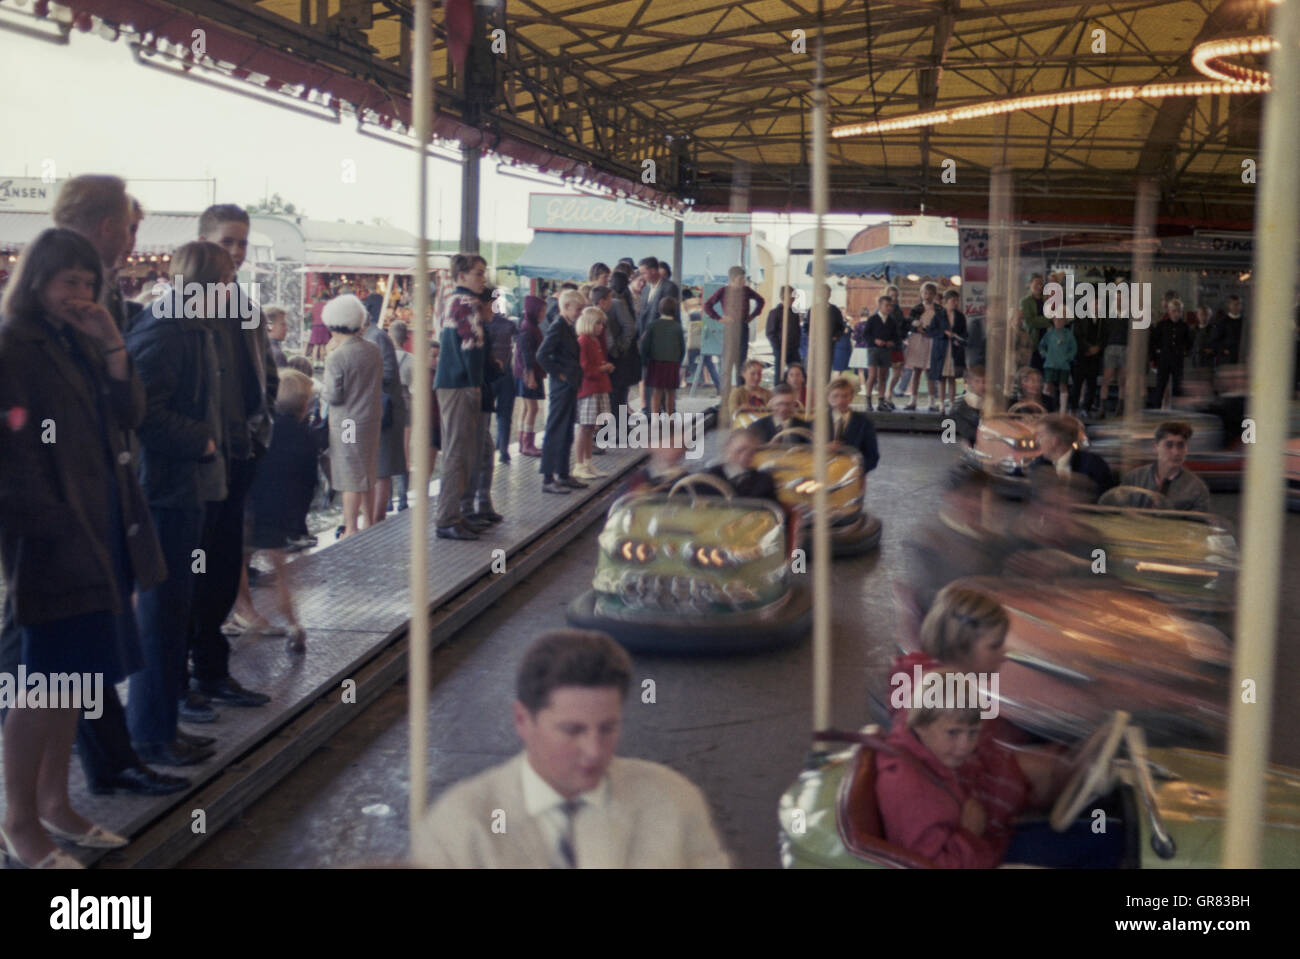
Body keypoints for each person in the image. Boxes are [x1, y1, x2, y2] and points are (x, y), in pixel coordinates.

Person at [0, 228, 170, 867]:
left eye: (87, 283)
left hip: (103, 531)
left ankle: (54, 803)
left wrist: (114, 348)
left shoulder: (78, 342)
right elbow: (10, 453)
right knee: (43, 684)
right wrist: (47, 523)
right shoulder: (15, 345)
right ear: (38, 280)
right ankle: (18, 818)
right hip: (51, 540)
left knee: (81, 681)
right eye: (67, 281)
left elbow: (127, 416)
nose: (79, 294)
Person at [412, 630, 730, 868]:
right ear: (523, 720)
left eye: (607, 728)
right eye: (572, 730)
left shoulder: (674, 801)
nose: (594, 751)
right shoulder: (459, 828)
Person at [124, 241, 233, 769]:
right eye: (227, 284)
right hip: (166, 490)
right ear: (207, 286)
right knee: (161, 615)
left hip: (183, 489)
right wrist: (201, 441)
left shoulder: (187, 328)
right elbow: (142, 411)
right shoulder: (165, 331)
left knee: (173, 613)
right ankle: (150, 734)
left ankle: (162, 728)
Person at [186, 203, 276, 714]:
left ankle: (214, 671)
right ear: (202, 245)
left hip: (240, 453)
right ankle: (181, 682)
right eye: (227, 243)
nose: (237, 253)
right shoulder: (180, 308)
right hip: (202, 462)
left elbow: (263, 369)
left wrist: (261, 430)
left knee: (222, 570)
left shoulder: (244, 305)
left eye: (241, 243)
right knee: (190, 575)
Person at [246, 370, 323, 654]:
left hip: (252, 507)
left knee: (235, 563)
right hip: (279, 514)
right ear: (305, 407)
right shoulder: (307, 437)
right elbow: (309, 481)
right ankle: (293, 623)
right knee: (281, 574)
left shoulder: (262, 431)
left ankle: (245, 615)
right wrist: (297, 520)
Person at [434, 253, 492, 539]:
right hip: (460, 385)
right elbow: (471, 346)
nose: (483, 278)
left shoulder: (452, 301)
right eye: (479, 273)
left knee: (460, 451)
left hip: (451, 383)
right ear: (461, 276)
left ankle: (455, 513)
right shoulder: (466, 303)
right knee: (458, 453)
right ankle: (447, 518)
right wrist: (475, 383)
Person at [322, 294, 383, 537]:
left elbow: (334, 396)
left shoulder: (337, 357)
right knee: (367, 472)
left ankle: (350, 527)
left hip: (346, 423)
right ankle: (369, 520)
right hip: (370, 420)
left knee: (349, 476)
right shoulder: (373, 349)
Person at [538, 289, 587, 495]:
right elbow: (542, 355)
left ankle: (563, 473)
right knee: (555, 429)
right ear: (566, 307)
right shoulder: (558, 327)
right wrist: (559, 374)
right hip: (562, 387)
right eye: (578, 309)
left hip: (569, 385)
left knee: (566, 430)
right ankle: (548, 477)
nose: (581, 313)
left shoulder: (568, 326)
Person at [362, 304, 407, 524]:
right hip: (375, 411)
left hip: (385, 412)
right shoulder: (372, 336)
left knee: (382, 467)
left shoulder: (376, 337)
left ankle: (375, 519)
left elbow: (387, 373)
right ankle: (370, 518)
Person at [704, 266, 765, 406]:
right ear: (733, 279)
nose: (743, 281)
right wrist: (719, 318)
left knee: (741, 363)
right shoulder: (723, 291)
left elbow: (761, 301)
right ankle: (724, 398)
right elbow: (707, 306)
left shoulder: (746, 291)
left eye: (744, 278)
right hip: (730, 328)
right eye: (740, 279)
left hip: (743, 327)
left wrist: (752, 316)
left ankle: (741, 396)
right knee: (727, 363)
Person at [1121, 420, 1211, 512]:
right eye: (1169, 445)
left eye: (1181, 446)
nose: (1175, 452)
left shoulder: (1196, 489)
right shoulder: (1134, 478)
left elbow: (1198, 523)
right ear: (1156, 447)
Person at [1029, 413, 1115, 499]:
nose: (1037, 441)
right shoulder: (1037, 465)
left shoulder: (1093, 465)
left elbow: (1105, 501)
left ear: (1055, 440)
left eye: (1041, 436)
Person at [573, 307, 615, 480]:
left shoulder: (594, 341)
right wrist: (602, 368)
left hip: (597, 387)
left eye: (602, 323)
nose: (601, 327)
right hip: (589, 389)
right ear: (589, 323)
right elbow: (584, 368)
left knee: (591, 428)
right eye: (598, 323)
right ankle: (579, 464)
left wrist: (603, 366)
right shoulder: (584, 341)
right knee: (585, 427)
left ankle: (588, 462)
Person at [705, 428, 780, 502]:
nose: (744, 456)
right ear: (727, 448)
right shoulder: (707, 478)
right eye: (740, 450)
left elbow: (774, 510)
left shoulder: (764, 481)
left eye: (751, 453)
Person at [640, 296, 686, 416]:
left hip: (656, 363)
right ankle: (670, 417)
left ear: (659, 310)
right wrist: (678, 362)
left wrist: (645, 361)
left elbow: (645, 345)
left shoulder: (653, 325)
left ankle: (655, 417)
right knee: (671, 393)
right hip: (672, 363)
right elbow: (682, 348)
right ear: (675, 311)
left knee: (656, 392)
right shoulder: (677, 327)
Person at [827, 375, 880, 475]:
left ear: (851, 397)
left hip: (851, 476)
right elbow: (806, 448)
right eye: (836, 396)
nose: (840, 401)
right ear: (828, 397)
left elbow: (872, 456)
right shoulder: (818, 421)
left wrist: (856, 470)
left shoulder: (864, 423)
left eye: (845, 396)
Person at [514, 294, 546, 458]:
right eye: (541, 311)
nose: (543, 314)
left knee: (527, 408)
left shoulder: (529, 326)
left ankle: (523, 442)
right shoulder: (528, 328)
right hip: (527, 373)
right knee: (532, 408)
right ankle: (527, 444)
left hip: (523, 373)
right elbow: (527, 354)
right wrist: (531, 375)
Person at [605, 271, 640, 415]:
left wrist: (619, 346)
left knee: (617, 394)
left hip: (617, 355)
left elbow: (629, 327)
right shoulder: (623, 299)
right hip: (619, 354)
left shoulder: (617, 301)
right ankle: (618, 430)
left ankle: (618, 430)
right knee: (618, 395)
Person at [486, 306, 517, 464]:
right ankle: (504, 450)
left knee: (486, 415)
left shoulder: (484, 325)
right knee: (505, 415)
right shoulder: (509, 325)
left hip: (489, 375)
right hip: (506, 373)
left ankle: (486, 451)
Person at [1151, 297, 1193, 408]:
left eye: (1179, 311)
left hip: (1177, 360)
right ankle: (1156, 410)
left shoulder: (1184, 326)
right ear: (1169, 311)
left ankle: (1176, 410)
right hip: (1164, 359)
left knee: (1177, 387)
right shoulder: (1162, 325)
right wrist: (1155, 357)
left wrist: (1184, 352)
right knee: (1160, 386)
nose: (1176, 313)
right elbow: (1154, 341)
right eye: (1174, 311)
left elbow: (1189, 343)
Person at [903, 283, 939, 410]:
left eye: (930, 293)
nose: (927, 296)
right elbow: (910, 323)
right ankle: (912, 400)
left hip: (932, 341)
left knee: (930, 372)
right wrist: (917, 328)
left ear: (934, 295)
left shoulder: (939, 309)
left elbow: (941, 325)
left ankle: (932, 401)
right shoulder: (916, 308)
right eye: (925, 293)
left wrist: (932, 332)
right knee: (916, 370)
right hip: (918, 340)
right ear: (921, 293)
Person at [859, 295, 898, 411]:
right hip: (873, 350)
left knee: (883, 376)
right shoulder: (872, 319)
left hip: (886, 350)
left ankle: (881, 401)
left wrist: (892, 342)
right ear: (880, 306)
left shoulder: (892, 321)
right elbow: (866, 335)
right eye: (886, 305)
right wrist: (875, 340)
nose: (889, 308)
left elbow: (896, 336)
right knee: (872, 375)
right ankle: (868, 400)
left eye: (890, 305)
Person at [930, 290, 966, 414]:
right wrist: (943, 333)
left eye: (956, 300)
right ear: (945, 302)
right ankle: (941, 404)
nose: (955, 303)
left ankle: (951, 404)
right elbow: (931, 331)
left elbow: (964, 334)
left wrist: (958, 340)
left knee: (952, 377)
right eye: (952, 301)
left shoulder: (960, 316)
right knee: (941, 378)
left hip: (954, 349)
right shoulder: (938, 315)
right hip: (941, 349)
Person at [390, 320, 414, 511]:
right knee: (405, 451)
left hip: (389, 404)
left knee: (387, 449)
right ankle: (403, 498)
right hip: (407, 403)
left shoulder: (384, 357)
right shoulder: (411, 360)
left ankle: (388, 500)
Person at [1068, 311, 1105, 417]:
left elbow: (1104, 336)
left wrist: (1097, 348)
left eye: (1099, 304)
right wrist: (1088, 348)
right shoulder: (1080, 318)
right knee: (1077, 384)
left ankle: (1086, 408)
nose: (1097, 306)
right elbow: (1076, 336)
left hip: (1095, 357)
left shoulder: (1102, 320)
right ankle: (1073, 407)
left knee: (1092, 384)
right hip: (1080, 356)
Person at [1037, 314, 1077, 411]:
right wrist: (1046, 355)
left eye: (1061, 320)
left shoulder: (1069, 335)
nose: (1059, 322)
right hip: (1050, 364)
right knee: (1047, 385)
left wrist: (1068, 357)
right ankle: (1045, 408)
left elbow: (1074, 349)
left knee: (1063, 385)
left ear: (1065, 322)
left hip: (1063, 366)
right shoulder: (1049, 334)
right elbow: (1041, 346)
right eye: (1056, 320)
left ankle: (1062, 410)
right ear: (1053, 321)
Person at [635, 257, 679, 338]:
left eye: (643, 273)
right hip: (644, 337)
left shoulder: (669, 287)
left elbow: (669, 317)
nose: (641, 276)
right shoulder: (645, 289)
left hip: (660, 337)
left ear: (653, 271)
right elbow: (642, 314)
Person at [765, 285, 801, 380]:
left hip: (793, 349)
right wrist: (778, 346)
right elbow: (770, 333)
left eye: (794, 297)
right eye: (791, 297)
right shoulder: (775, 313)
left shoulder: (794, 314)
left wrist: (797, 344)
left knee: (797, 371)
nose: (793, 299)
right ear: (783, 297)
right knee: (779, 374)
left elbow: (797, 330)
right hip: (780, 348)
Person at [1020, 273, 1049, 371]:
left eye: (1041, 284)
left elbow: (1054, 318)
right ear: (1029, 284)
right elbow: (1029, 321)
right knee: (1033, 370)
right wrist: (1047, 320)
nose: (1040, 286)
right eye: (1037, 284)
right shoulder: (1025, 302)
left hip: (1047, 341)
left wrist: (1039, 320)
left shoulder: (1047, 300)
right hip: (1033, 341)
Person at [951, 364, 984, 448]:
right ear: (969, 383)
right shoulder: (959, 409)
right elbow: (967, 432)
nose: (981, 385)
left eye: (984, 382)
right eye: (977, 381)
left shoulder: (992, 402)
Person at [307, 289, 331, 365]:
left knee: (316, 345)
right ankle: (321, 362)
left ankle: (314, 363)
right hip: (323, 326)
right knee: (323, 346)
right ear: (327, 299)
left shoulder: (315, 306)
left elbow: (311, 316)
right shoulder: (327, 306)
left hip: (315, 326)